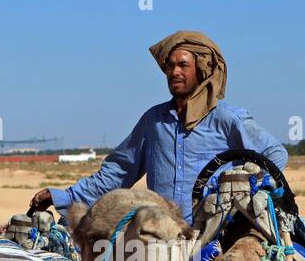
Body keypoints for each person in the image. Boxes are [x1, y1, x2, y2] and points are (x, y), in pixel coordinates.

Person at [31, 30, 286, 225]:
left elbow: (275, 154)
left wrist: (246, 185)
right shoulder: (154, 121)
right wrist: (62, 196)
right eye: (170, 66)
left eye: (183, 65)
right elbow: (118, 172)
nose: (174, 72)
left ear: (201, 70)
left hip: (215, 232)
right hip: (161, 234)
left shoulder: (228, 118)